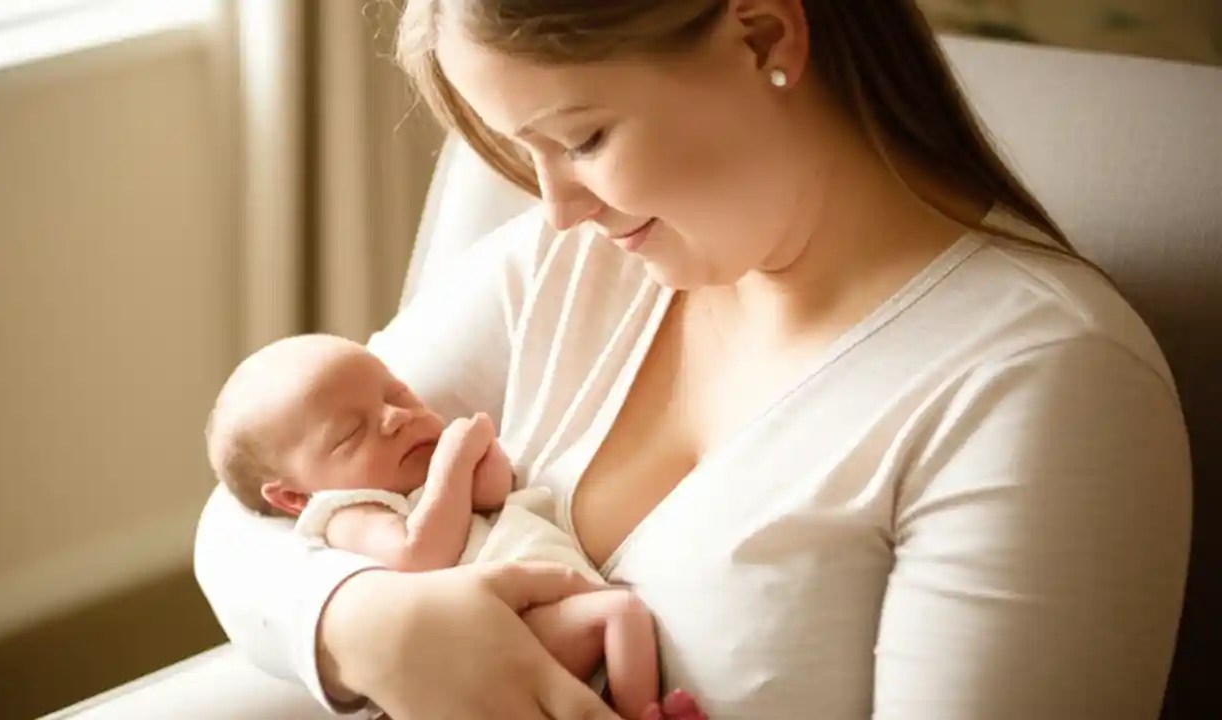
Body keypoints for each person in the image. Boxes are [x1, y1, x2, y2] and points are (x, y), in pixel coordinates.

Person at [194, 1, 1193, 718]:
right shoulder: (570, 264)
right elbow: (250, 499)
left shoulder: (1040, 384)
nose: (554, 204)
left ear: (762, 36)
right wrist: (372, 624)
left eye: (580, 138)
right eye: (522, 151)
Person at [204, 333, 668, 718]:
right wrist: (454, 460)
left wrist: (481, 459)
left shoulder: (422, 480)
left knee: (620, 616)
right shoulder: (349, 511)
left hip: (533, 611)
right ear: (293, 496)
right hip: (504, 636)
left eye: (397, 395)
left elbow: (493, 495)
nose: (394, 418)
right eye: (350, 434)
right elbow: (419, 556)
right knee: (619, 613)